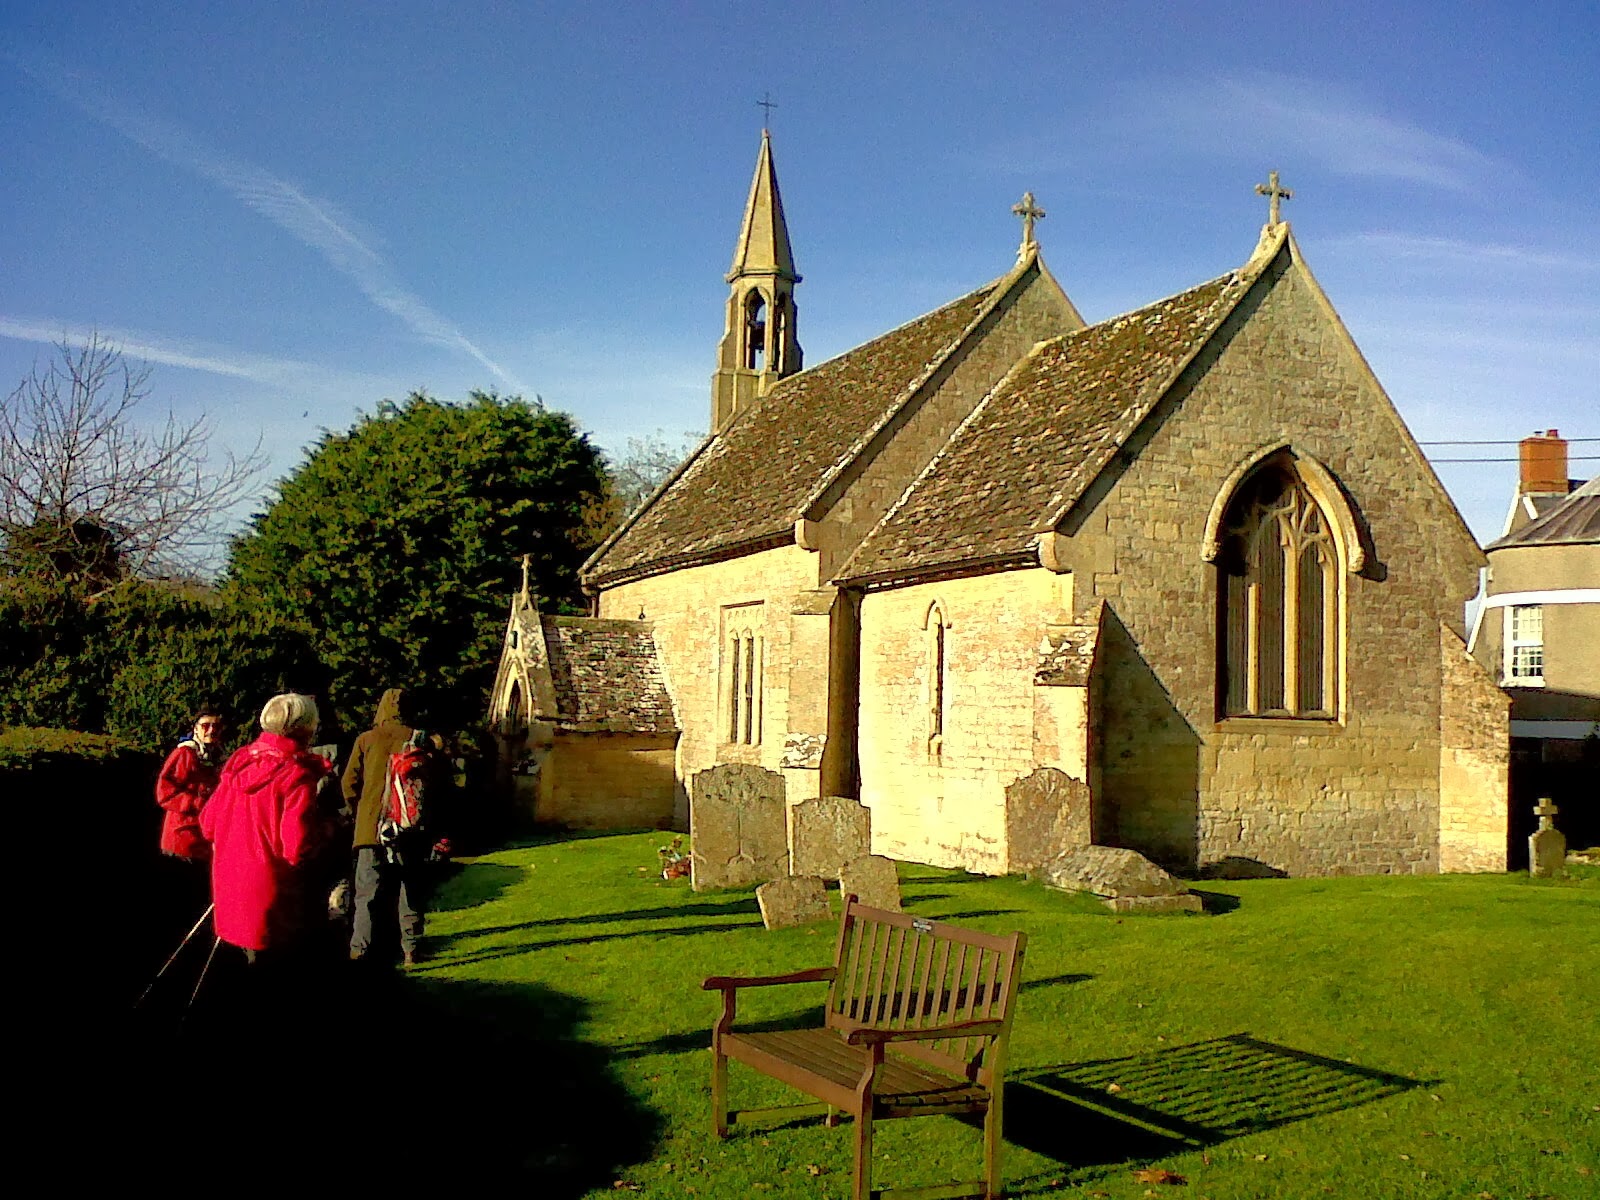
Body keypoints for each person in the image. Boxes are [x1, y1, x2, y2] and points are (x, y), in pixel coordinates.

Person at [200, 693, 332, 963]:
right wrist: (328, 832)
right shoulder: (295, 776)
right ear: (307, 727)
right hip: (273, 892)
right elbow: (296, 847)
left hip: (229, 885)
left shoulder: (239, 763)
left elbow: (207, 823)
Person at [342, 688, 428, 965]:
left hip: (371, 830)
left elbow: (348, 783)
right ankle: (411, 949)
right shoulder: (418, 738)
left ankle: (360, 949)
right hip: (409, 829)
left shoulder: (366, 740)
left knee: (367, 894)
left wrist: (362, 812)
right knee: (409, 889)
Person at [155, 707, 226, 861]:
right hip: (181, 839)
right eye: (205, 726)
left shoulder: (217, 758)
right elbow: (164, 792)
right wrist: (195, 803)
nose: (211, 730)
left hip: (203, 842)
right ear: (195, 729)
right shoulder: (184, 754)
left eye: (217, 726)